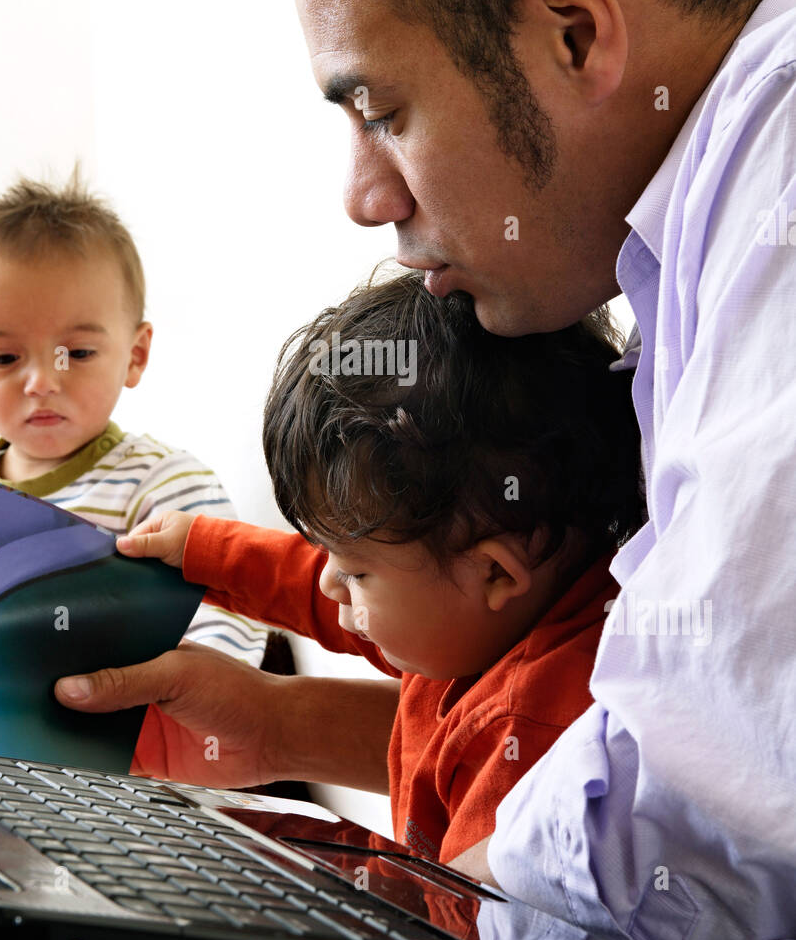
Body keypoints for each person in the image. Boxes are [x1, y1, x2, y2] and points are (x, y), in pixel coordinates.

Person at [57, 0, 796, 940]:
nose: (363, 195)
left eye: (382, 110)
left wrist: (422, 938)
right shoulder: (690, 241)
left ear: (571, 27)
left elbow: (701, 786)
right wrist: (281, 724)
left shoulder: (774, 218)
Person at [109, 270, 642, 861]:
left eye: (358, 571)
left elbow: (465, 935)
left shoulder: (527, 732)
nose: (329, 581)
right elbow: (322, 589)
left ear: (496, 574)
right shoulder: (477, 611)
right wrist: (199, 555)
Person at [0, 171, 271, 668]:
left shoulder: (167, 486)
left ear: (134, 355)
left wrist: (161, 699)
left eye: (78, 352)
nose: (43, 382)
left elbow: (229, 618)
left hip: (128, 729)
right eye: (5, 358)